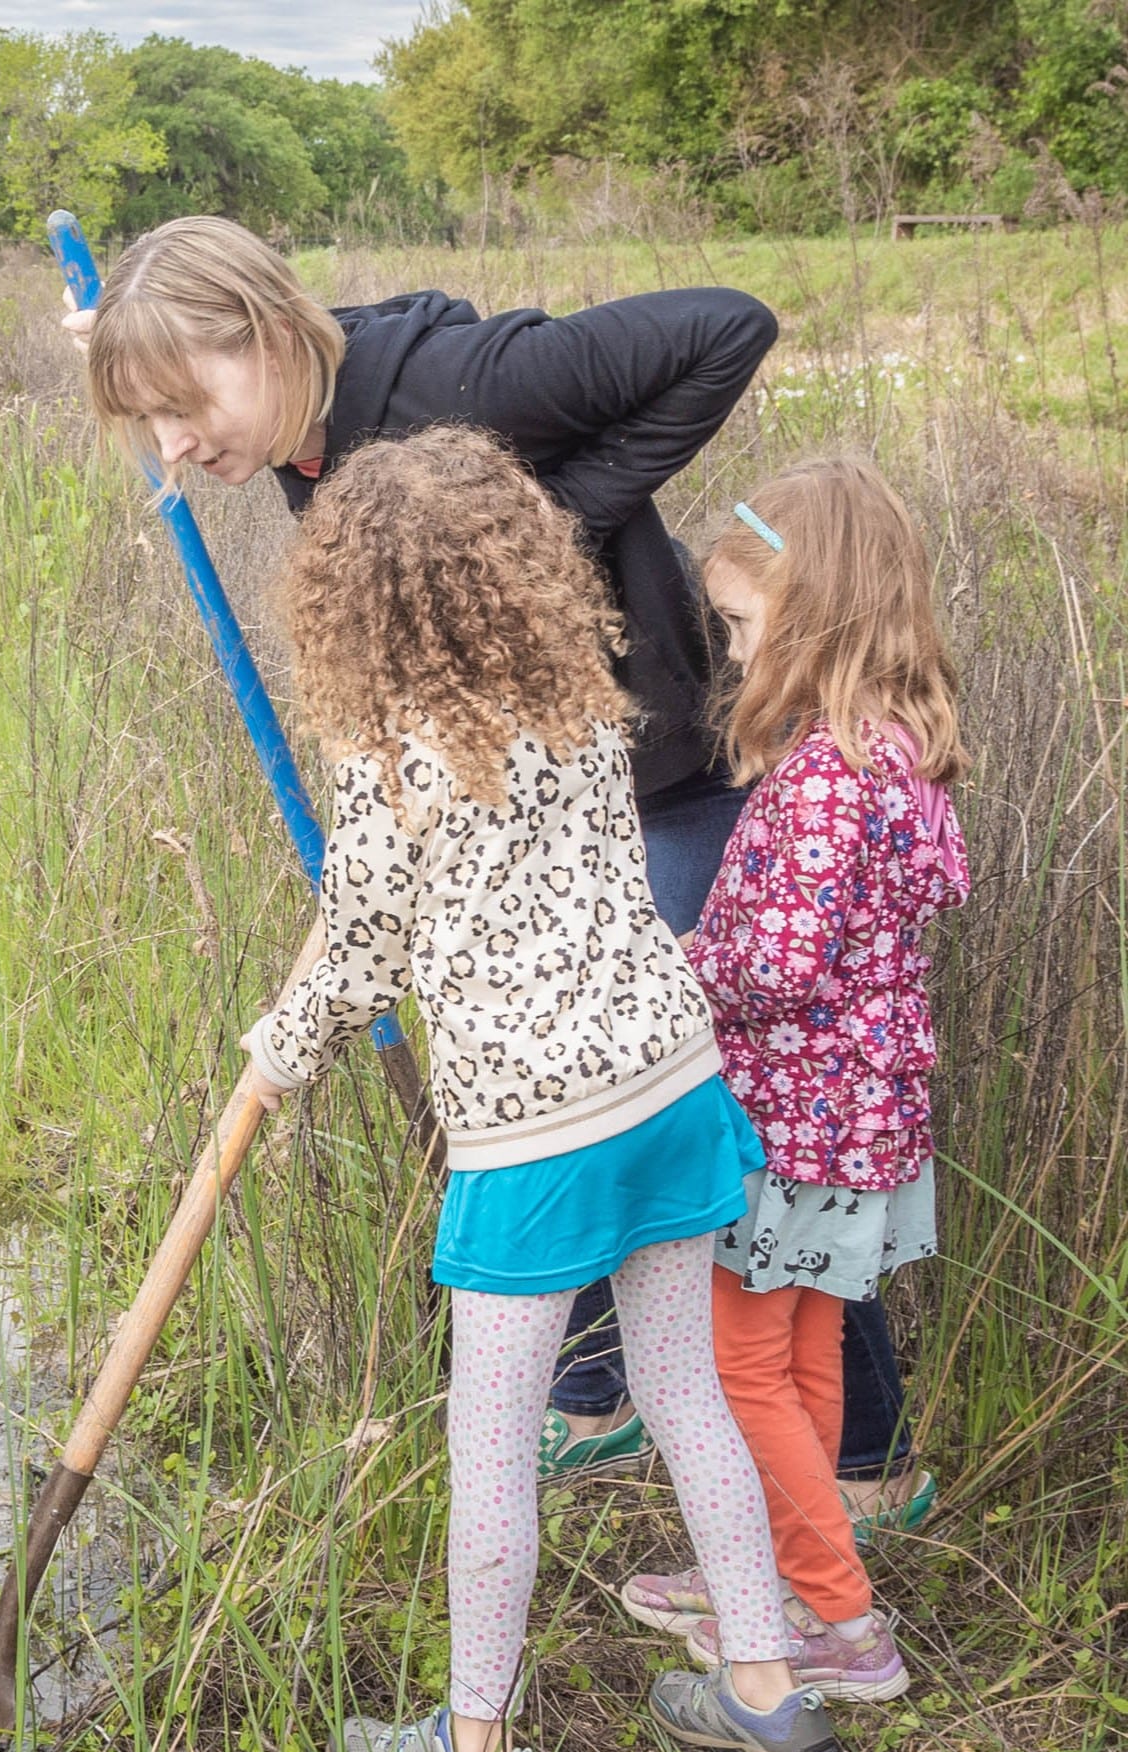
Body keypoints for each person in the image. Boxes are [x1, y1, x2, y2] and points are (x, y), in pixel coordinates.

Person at [68, 215, 914, 1496]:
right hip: (510, 816)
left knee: (720, 1106)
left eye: (184, 405)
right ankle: (591, 1392)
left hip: (652, 790)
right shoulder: (304, 421)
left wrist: (549, 524)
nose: (176, 449)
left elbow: (724, 324)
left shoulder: (461, 382)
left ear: (262, 332)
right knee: (526, 1074)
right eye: (150, 423)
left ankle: (861, 1454)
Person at [239, 426, 842, 1752]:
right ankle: (763, 1688)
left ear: (359, 605)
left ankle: (472, 1751)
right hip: (675, 1084)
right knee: (685, 1389)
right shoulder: (582, 706)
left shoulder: (390, 758)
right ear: (526, 571)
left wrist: (278, 1053)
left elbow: (364, 943)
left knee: (493, 1449)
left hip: (536, 1141)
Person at [619, 460, 968, 1701]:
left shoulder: (822, 777)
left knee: (734, 1373)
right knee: (804, 1353)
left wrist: (668, 961)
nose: (726, 646)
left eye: (738, 623)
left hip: (793, 1120)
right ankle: (763, 1566)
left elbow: (774, 963)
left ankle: (835, 1619)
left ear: (812, 617)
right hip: (859, 1128)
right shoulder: (889, 753)